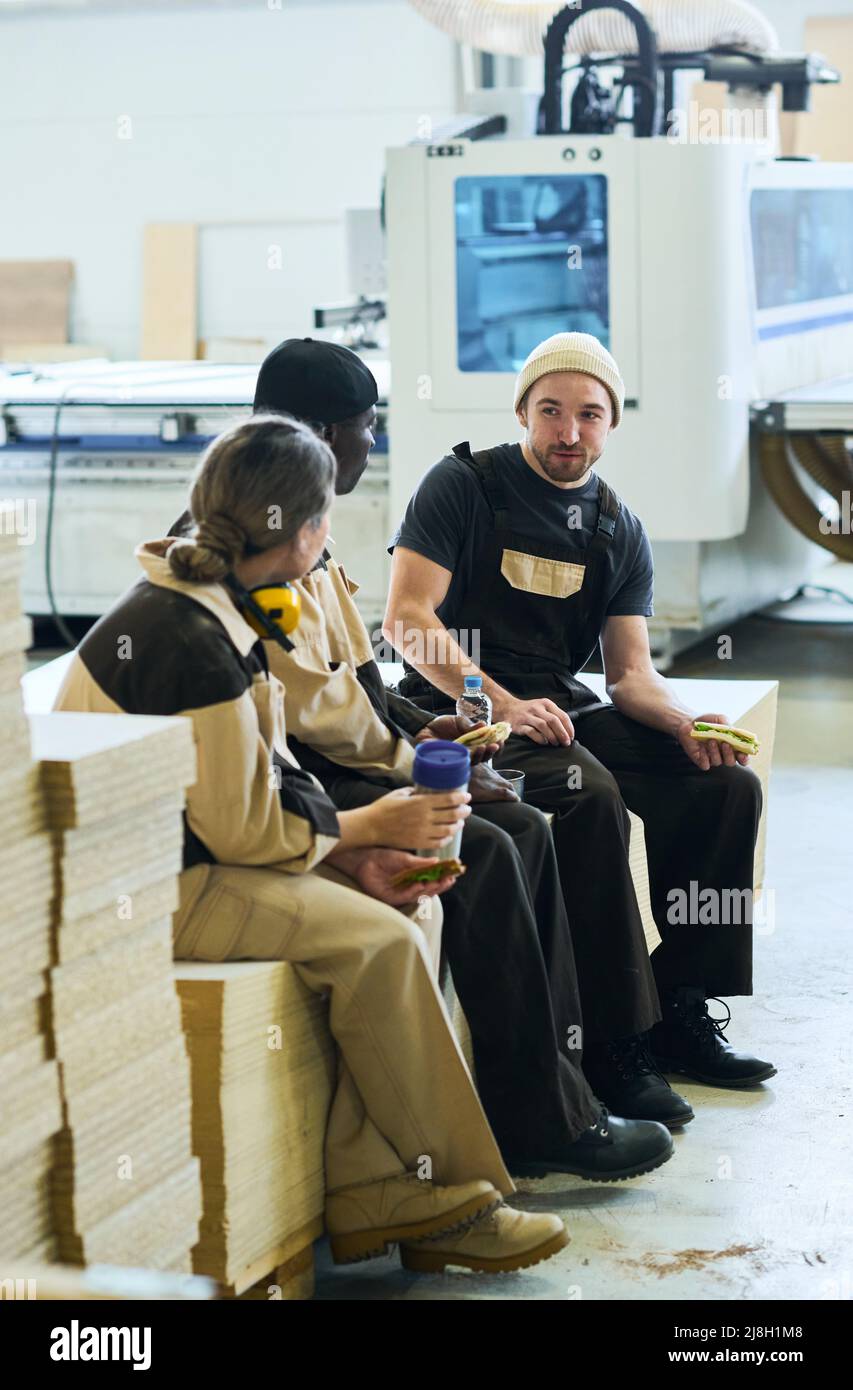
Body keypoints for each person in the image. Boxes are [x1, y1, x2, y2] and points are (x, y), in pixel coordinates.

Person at [52, 414, 570, 1276]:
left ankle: (387, 1190)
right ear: (299, 534)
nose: (328, 535)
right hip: (137, 886)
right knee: (375, 938)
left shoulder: (219, 603)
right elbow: (244, 827)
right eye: (323, 517)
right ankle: (451, 1204)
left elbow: (268, 778)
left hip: (190, 859)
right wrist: (368, 829)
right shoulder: (188, 637)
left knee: (414, 903)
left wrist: (352, 857)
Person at [239, 338, 683, 1164]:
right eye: (367, 429)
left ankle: (620, 1047)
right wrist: (447, 736)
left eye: (590, 414)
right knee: (536, 816)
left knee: (583, 808)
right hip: (333, 772)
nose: (570, 430)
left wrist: (420, 735)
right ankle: (553, 1103)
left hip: (419, 729)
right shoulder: (268, 552)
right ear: (319, 432)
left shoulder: (305, 536)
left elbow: (353, 687)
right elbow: (340, 683)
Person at [385, 332, 776, 1101]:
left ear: (610, 423)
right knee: (587, 793)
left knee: (725, 788)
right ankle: (609, 1041)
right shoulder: (462, 484)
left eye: (588, 415)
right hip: (455, 711)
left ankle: (680, 1009)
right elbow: (404, 618)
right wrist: (496, 701)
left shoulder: (616, 528)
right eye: (551, 412)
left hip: (558, 706)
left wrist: (686, 724)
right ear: (524, 413)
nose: (569, 433)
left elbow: (630, 676)